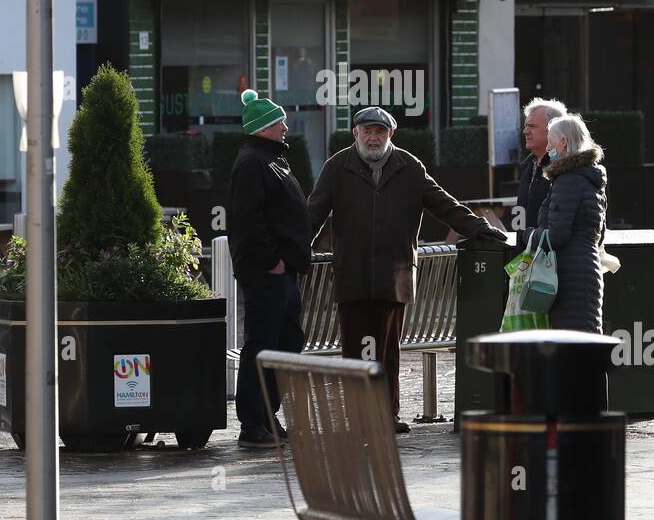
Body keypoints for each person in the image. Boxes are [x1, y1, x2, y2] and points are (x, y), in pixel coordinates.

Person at [308, 106, 507, 432]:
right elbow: (313, 212)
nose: (373, 137)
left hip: (394, 274)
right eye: (367, 131)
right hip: (353, 273)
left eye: (380, 132)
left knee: (388, 349)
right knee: (355, 350)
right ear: (356, 133)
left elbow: (444, 204)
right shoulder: (337, 166)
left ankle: (387, 415)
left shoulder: (409, 165)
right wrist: (297, 248)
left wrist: (480, 229)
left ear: (390, 134)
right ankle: (358, 417)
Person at [228, 89, 312, 448]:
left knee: (287, 341)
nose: (285, 127)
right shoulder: (253, 161)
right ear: (263, 127)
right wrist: (270, 260)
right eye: (279, 122)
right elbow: (249, 217)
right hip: (268, 272)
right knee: (263, 343)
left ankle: (266, 414)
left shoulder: (270, 159)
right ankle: (252, 422)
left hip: (283, 269)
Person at [536, 114, 608, 333]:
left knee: (572, 343)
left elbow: (557, 235)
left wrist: (526, 236)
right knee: (587, 339)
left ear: (563, 142)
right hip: (587, 270)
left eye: (550, 141)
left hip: (569, 276)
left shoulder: (568, 180)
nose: (547, 148)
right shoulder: (591, 179)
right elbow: (600, 234)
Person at [517, 97, 567, 245]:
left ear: (553, 129)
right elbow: (519, 213)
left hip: (552, 253)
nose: (525, 131)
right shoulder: (526, 166)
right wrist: (518, 245)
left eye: (532, 126)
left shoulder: (564, 167)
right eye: (525, 126)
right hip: (527, 252)